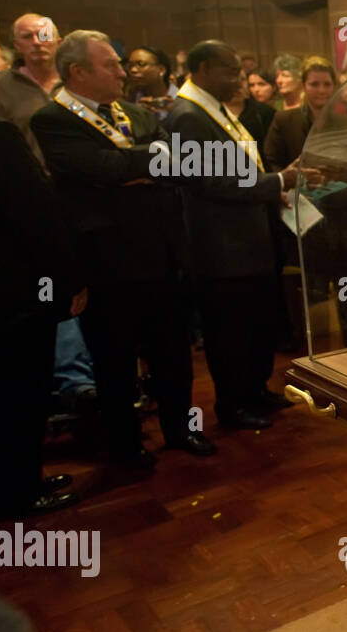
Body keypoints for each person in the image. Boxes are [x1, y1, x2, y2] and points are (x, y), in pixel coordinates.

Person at [30, 30, 212, 471]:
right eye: (111, 64)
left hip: (160, 253)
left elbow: (174, 160)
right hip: (107, 263)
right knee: (114, 361)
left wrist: (131, 168)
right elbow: (102, 167)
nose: (123, 71)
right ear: (78, 72)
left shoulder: (133, 113)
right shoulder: (53, 119)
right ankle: (126, 446)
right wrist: (141, 163)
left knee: (172, 352)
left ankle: (180, 428)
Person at [169, 40, 312, 429]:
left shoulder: (213, 111)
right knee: (229, 331)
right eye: (229, 71)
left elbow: (239, 168)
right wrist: (277, 180)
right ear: (201, 70)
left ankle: (254, 390)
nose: (239, 79)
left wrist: (274, 189)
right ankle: (233, 405)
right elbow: (211, 183)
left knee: (255, 324)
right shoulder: (187, 116)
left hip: (248, 240)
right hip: (222, 248)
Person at [0, 118, 83, 516]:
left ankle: (20, 480)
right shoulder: (2, 138)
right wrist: (70, 280)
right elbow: (38, 216)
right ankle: (20, 490)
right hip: (19, 295)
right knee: (22, 394)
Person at [0, 13, 61, 165]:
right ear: (17, 45)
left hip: (86, 181)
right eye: (27, 37)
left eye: (44, 35)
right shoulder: (1, 86)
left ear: (59, 42)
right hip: (29, 182)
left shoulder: (78, 79)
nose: (37, 42)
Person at [125, 46, 178, 121]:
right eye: (130, 65)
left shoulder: (180, 100)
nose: (133, 70)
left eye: (141, 64)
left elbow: (177, 133)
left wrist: (174, 118)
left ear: (161, 69)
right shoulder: (131, 99)